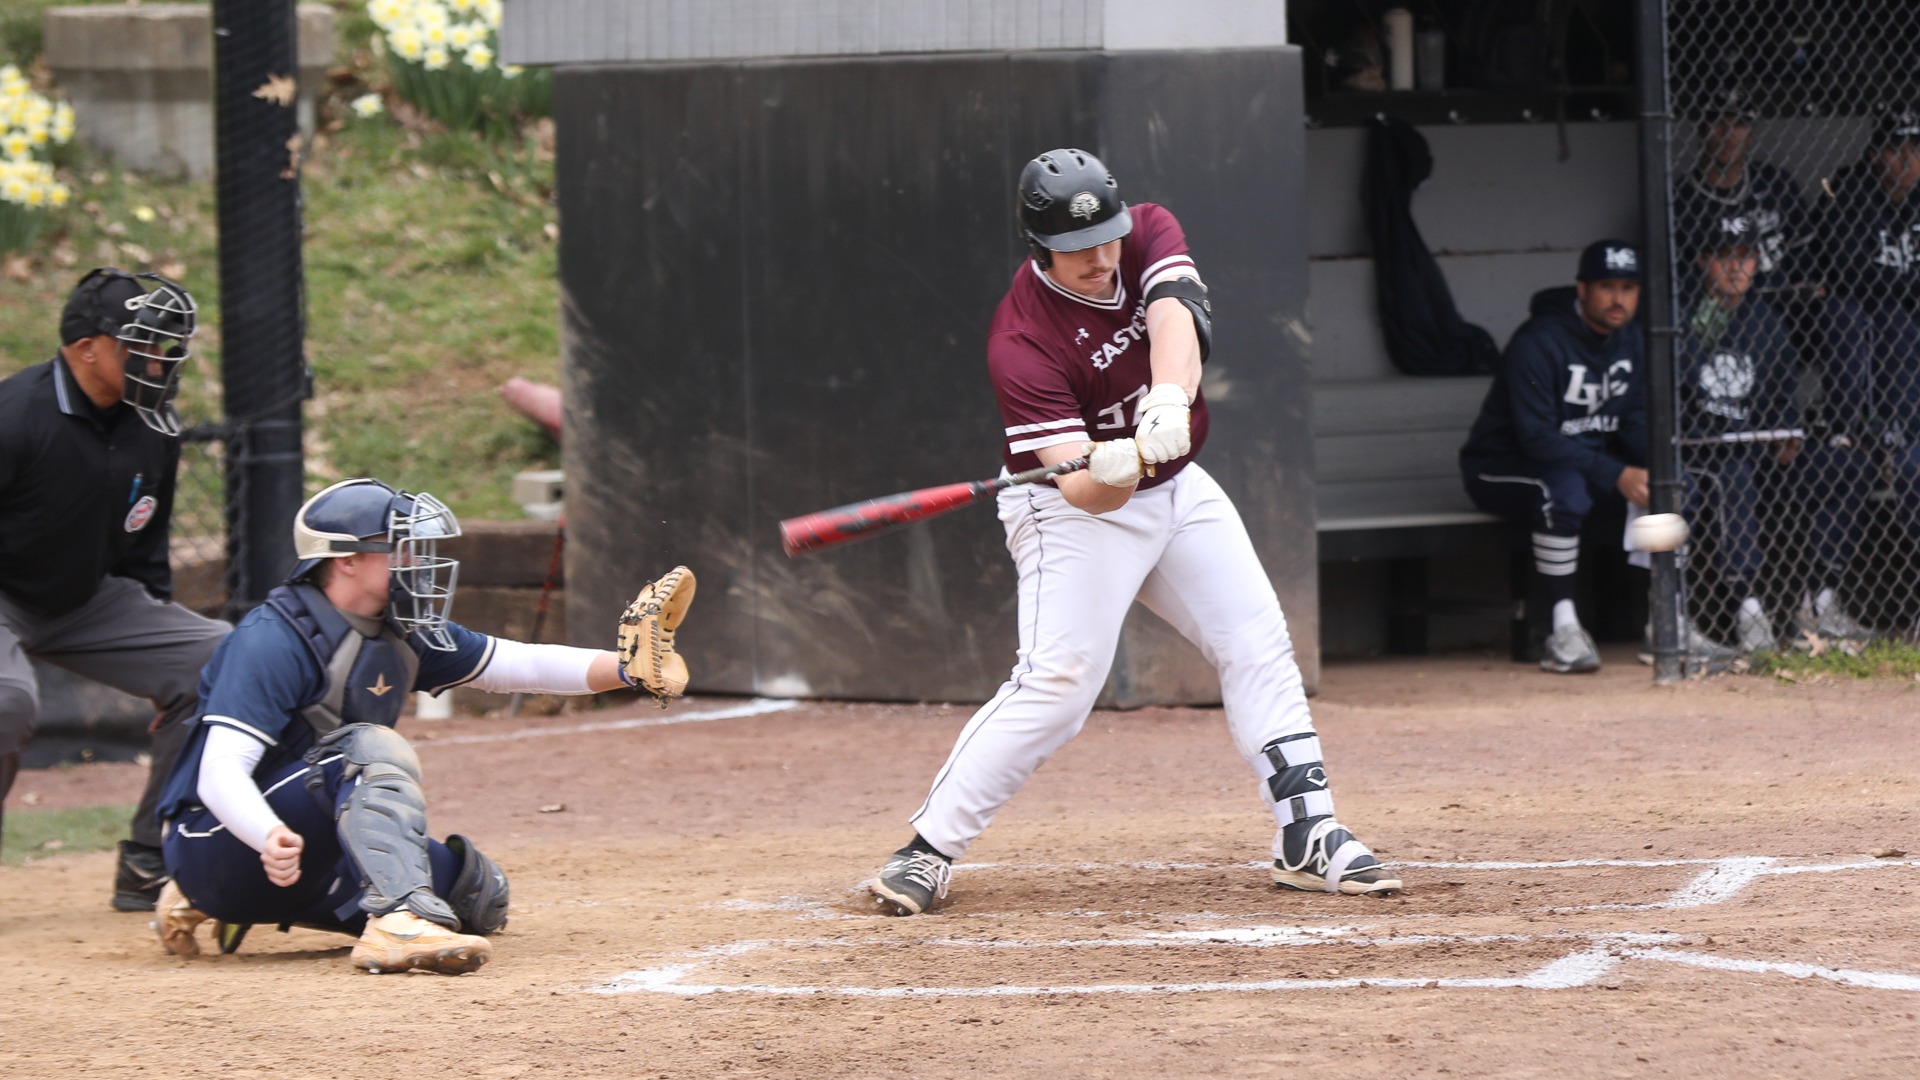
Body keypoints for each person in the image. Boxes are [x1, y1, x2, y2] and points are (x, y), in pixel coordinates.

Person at [862, 148, 1400, 917]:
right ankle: (928, 849)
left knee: (1256, 640)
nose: (1100, 257)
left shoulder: (1145, 230)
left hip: (1178, 486)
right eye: (1078, 249)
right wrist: (1107, 469)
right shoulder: (1021, 342)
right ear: (1040, 247)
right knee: (1059, 686)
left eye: (1106, 239)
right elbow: (1080, 491)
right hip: (1069, 513)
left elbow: (1176, 313)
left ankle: (1307, 835)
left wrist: (1168, 402)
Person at [150, 478, 695, 974]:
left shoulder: (401, 628)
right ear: (346, 560)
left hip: (300, 852)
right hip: (222, 844)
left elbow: (515, 664)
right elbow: (219, 772)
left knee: (479, 898)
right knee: (370, 748)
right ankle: (393, 921)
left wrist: (627, 670)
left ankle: (226, 904)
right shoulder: (273, 637)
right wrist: (263, 834)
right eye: (399, 548)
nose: (416, 561)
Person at [0, 267, 229, 912]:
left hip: (84, 600)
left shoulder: (153, 424)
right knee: (7, 698)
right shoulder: (16, 417)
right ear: (86, 349)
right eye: (140, 345)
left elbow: (145, 554)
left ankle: (152, 856)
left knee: (218, 660)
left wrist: (164, 673)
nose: (156, 361)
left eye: (163, 346)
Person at [1459, 241, 1732, 672]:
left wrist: (1656, 472)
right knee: (1561, 489)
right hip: (1502, 468)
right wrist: (1617, 473)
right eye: (1607, 286)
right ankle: (1561, 628)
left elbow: (1637, 421)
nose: (1618, 298)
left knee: (1672, 485)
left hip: (1587, 468)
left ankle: (1666, 624)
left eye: (1628, 287)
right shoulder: (1539, 341)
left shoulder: (1635, 340)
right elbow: (1536, 438)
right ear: (1582, 289)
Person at [1672, 214, 1873, 652]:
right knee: (1734, 470)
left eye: (1745, 257)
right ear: (1703, 260)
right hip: (1704, 460)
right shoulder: (1680, 316)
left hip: (1760, 459)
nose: (1735, 268)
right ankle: (1749, 609)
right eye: (1723, 257)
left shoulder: (1766, 321)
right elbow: (1679, 402)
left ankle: (1817, 605)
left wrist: (1787, 435)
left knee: (1848, 467)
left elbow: (1782, 400)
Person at [1671, 95, 1811, 295]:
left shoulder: (1776, 184)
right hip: (1719, 306)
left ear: (1751, 133)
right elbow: (1681, 279)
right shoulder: (1681, 200)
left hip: (1785, 300)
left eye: (1739, 124)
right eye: (1718, 123)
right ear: (1701, 130)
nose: (1728, 134)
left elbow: (1805, 256)